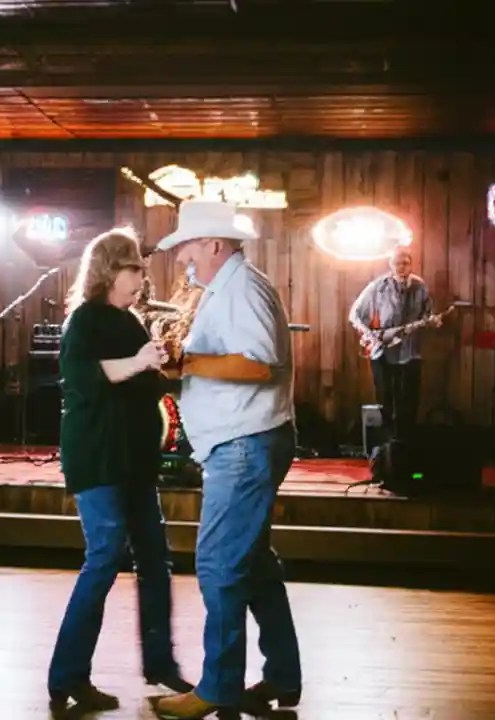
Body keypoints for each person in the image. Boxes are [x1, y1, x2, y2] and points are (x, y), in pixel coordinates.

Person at [150, 200, 302, 719]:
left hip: (243, 443)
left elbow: (259, 366)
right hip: (246, 440)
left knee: (218, 565)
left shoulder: (241, 288)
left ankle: (218, 688)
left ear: (214, 244)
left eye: (188, 248)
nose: (183, 259)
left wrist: (187, 361)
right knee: (253, 565)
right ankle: (282, 675)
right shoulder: (234, 287)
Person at [47, 228, 194, 713]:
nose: (142, 279)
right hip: (98, 458)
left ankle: (160, 665)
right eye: (136, 269)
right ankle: (67, 674)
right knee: (105, 555)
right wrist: (138, 362)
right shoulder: (83, 322)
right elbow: (87, 379)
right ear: (110, 270)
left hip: (133, 460)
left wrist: (166, 365)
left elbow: (145, 385)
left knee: (155, 559)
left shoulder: (131, 322)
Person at [348, 244, 440, 443]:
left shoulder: (420, 286)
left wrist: (433, 320)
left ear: (411, 265)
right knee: (386, 398)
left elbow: (428, 313)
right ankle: (389, 445)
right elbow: (355, 315)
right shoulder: (377, 287)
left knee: (409, 401)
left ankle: (406, 444)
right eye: (397, 263)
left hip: (410, 352)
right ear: (390, 265)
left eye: (405, 263)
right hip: (383, 352)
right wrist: (369, 335)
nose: (401, 267)